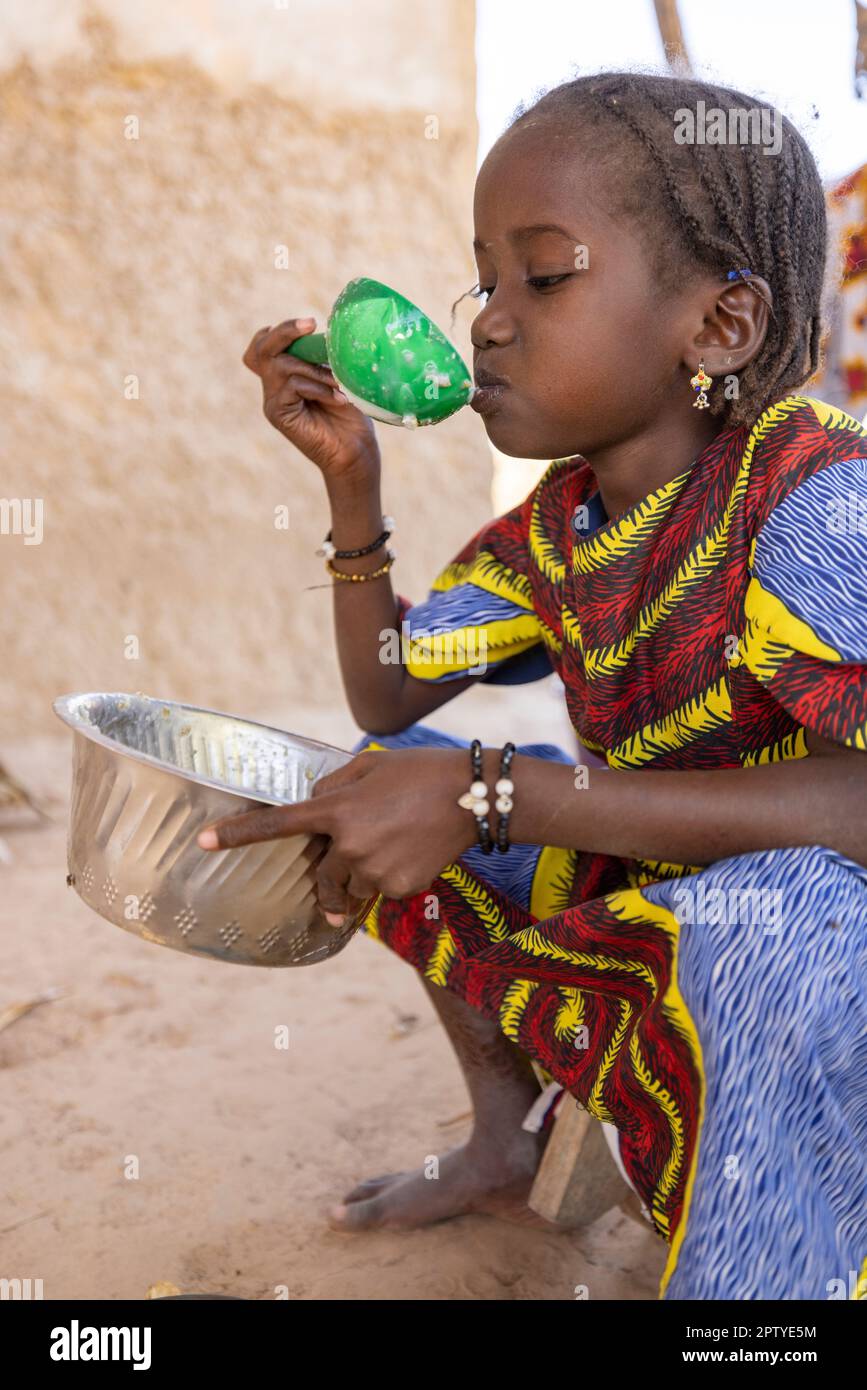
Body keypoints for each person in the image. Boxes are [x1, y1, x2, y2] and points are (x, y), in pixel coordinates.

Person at [198, 72, 867, 1301]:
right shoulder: (561, 528)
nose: (490, 323)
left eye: (544, 277)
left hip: (817, 962)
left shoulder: (810, 500)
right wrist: (357, 494)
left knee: (767, 930)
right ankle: (509, 1142)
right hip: (681, 916)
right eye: (483, 281)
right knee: (387, 790)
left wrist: (506, 790)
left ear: (718, 327)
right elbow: (391, 696)